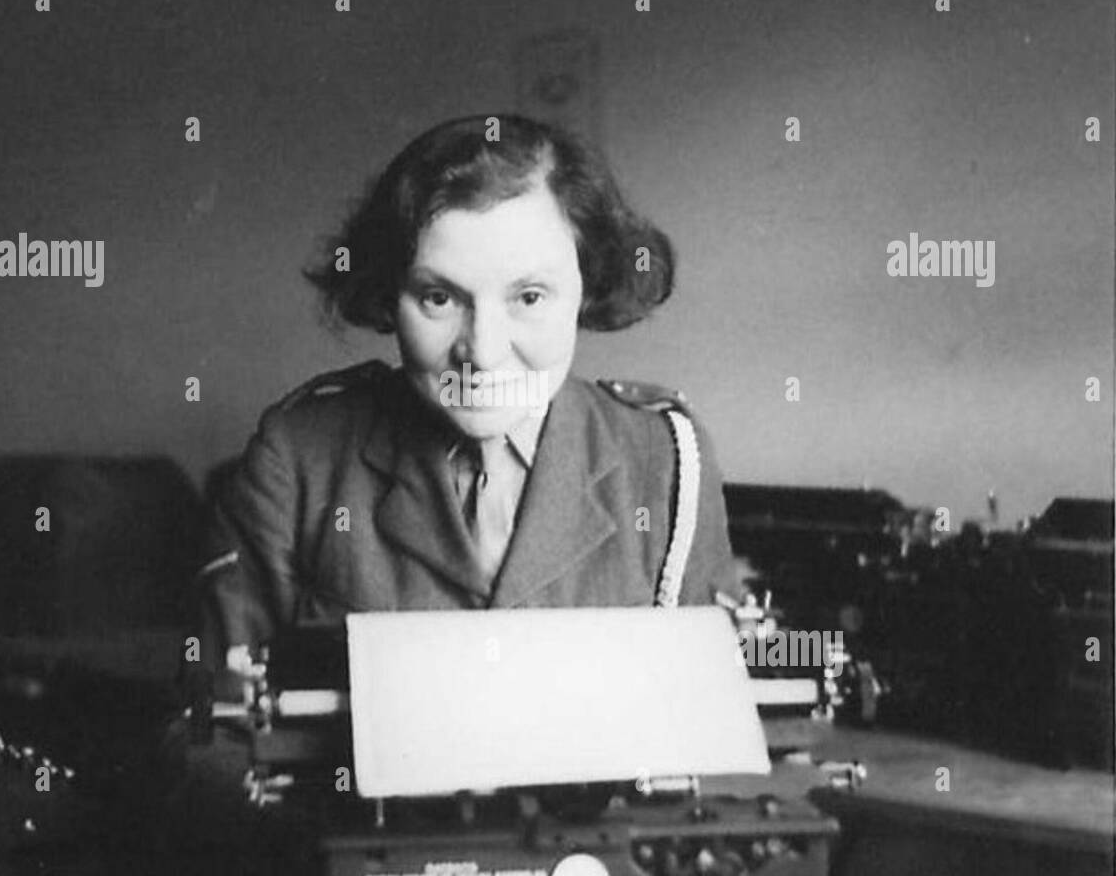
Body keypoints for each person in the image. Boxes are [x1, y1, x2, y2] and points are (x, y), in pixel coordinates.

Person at [202, 113, 742, 682]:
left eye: (529, 297)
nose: (482, 353)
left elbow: (714, 714)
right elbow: (212, 734)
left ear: (588, 285)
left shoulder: (666, 460)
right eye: (438, 297)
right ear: (390, 295)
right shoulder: (298, 460)